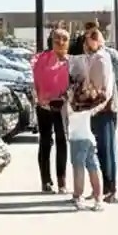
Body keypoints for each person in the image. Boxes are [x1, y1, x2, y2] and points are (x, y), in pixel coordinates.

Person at [32, 28, 71, 193]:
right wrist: (41, 98)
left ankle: (62, 182)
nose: (60, 42)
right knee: (46, 141)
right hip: (44, 106)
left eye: (64, 39)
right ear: (52, 41)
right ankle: (45, 181)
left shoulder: (71, 61)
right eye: (57, 39)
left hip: (62, 107)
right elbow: (35, 80)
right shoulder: (42, 59)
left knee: (62, 141)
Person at [92, 31, 118, 204]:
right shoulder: (87, 56)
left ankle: (110, 188)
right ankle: (100, 187)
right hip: (93, 109)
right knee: (97, 149)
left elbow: (117, 81)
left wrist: (117, 103)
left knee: (107, 149)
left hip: (106, 109)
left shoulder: (109, 55)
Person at [66, 77, 106, 211]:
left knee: (79, 169)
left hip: (77, 140)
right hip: (89, 139)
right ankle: (98, 198)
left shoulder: (71, 107)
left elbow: (64, 117)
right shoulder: (88, 107)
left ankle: (78, 196)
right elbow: (100, 103)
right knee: (94, 168)